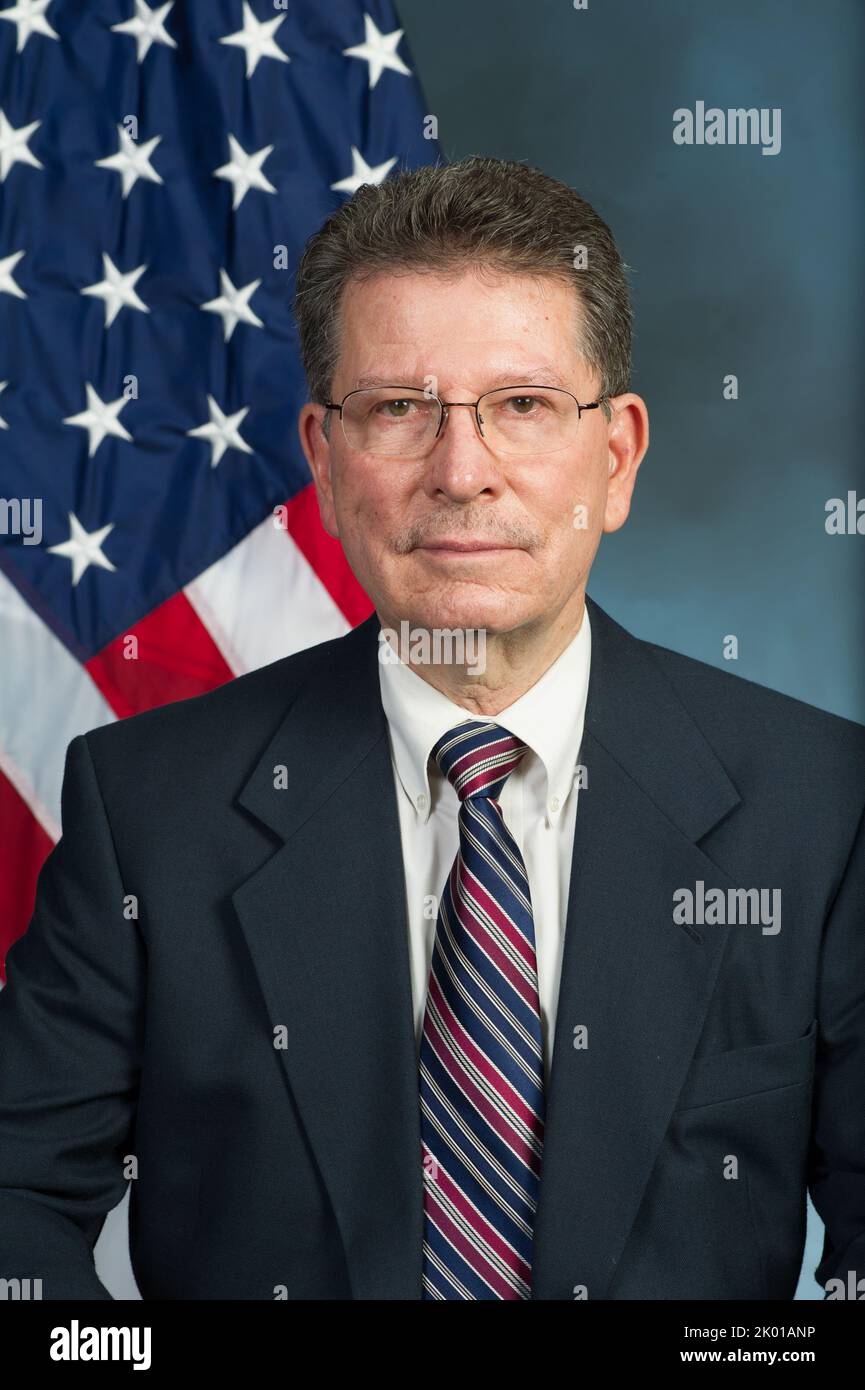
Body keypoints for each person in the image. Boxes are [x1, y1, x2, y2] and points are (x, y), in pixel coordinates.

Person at [1, 157, 862, 1300]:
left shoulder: (822, 806)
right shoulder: (147, 805)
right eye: (398, 408)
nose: (462, 473)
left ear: (615, 458)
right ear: (321, 454)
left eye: (522, 406)